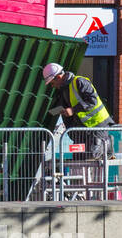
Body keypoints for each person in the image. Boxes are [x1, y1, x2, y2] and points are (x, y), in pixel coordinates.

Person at [42, 62, 114, 196]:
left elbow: (92, 101)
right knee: (79, 158)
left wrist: (72, 110)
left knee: (93, 155)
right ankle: (82, 193)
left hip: (97, 125)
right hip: (82, 131)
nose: (53, 86)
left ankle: (107, 143)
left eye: (52, 83)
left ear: (58, 77)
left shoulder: (79, 82)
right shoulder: (63, 91)